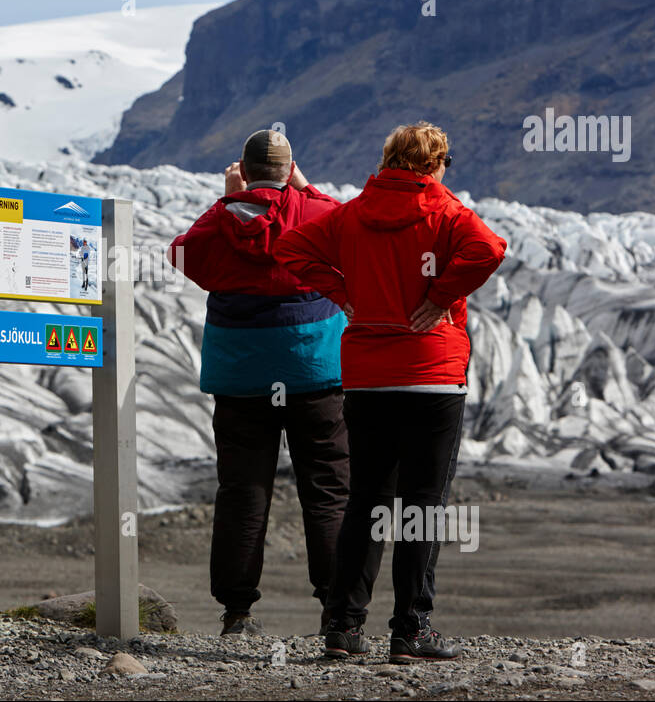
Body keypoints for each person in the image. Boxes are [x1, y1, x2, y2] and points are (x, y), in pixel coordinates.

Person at [273, 122, 506, 662]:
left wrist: (344, 292)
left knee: (365, 501)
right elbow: (490, 249)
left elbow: (291, 247)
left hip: (368, 374)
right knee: (422, 505)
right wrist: (442, 293)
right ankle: (410, 630)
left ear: (387, 160)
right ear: (437, 163)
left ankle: (343, 628)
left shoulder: (352, 214)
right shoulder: (445, 211)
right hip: (431, 375)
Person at [169, 129, 350, 636]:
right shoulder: (318, 215)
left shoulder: (223, 220)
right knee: (328, 489)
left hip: (242, 379)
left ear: (243, 171)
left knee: (242, 491)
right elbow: (348, 226)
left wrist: (229, 200)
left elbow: (180, 256)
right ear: (291, 170)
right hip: (314, 372)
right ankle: (338, 613)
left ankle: (237, 613)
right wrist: (306, 189)